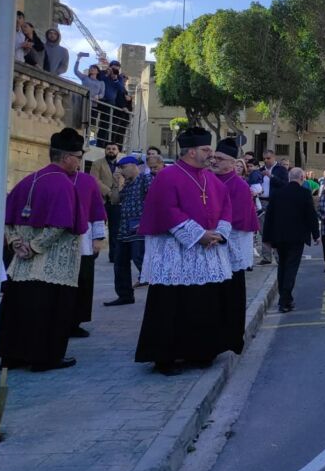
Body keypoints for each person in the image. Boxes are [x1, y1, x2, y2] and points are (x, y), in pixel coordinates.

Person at [134, 128, 236, 376]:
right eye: (206, 150)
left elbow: (226, 207)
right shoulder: (168, 177)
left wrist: (219, 233)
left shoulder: (210, 178)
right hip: (175, 252)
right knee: (172, 304)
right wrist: (199, 235)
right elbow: (167, 209)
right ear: (191, 151)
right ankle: (165, 358)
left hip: (207, 250)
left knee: (202, 302)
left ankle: (201, 352)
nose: (210, 154)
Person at [0, 128, 86, 371]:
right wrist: (34, 247)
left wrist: (16, 243)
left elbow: (7, 218)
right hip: (52, 265)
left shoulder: (28, 179)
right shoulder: (63, 184)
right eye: (78, 157)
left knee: (18, 309)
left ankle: (12, 356)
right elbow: (60, 225)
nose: (79, 162)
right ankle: (44, 358)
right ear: (67, 157)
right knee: (48, 312)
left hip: (22, 265)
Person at [211, 138, 259, 352]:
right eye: (214, 157)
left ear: (232, 163)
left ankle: (231, 339)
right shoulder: (210, 179)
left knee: (231, 296)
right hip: (213, 244)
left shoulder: (238, 184)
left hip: (231, 247)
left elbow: (237, 219)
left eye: (220, 159)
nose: (215, 161)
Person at [263, 167, 320, 312]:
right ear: (302, 178)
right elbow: (311, 215)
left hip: (279, 236)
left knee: (282, 265)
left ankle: (284, 298)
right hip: (297, 237)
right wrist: (316, 234)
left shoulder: (279, 193)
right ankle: (285, 300)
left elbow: (269, 216)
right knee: (291, 267)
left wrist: (267, 238)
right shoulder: (304, 193)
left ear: (289, 177)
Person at [104, 155, 151, 306]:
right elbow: (115, 200)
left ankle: (159, 289)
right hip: (124, 229)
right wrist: (118, 184)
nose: (121, 171)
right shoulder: (127, 184)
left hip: (139, 228)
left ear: (133, 165)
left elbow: (154, 199)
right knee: (120, 263)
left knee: (139, 258)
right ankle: (125, 295)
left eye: (123, 168)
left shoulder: (145, 179)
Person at [70, 162, 107, 337]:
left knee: (83, 282)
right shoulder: (51, 178)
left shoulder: (87, 181)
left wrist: (97, 239)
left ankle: (75, 322)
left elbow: (97, 209)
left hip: (84, 241)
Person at [90, 143, 123, 262]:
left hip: (116, 203)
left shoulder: (122, 165)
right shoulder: (97, 163)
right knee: (98, 228)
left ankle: (113, 256)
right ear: (105, 151)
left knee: (115, 230)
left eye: (113, 149)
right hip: (101, 201)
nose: (111, 151)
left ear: (118, 151)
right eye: (108, 149)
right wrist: (108, 192)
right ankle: (92, 253)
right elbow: (94, 180)